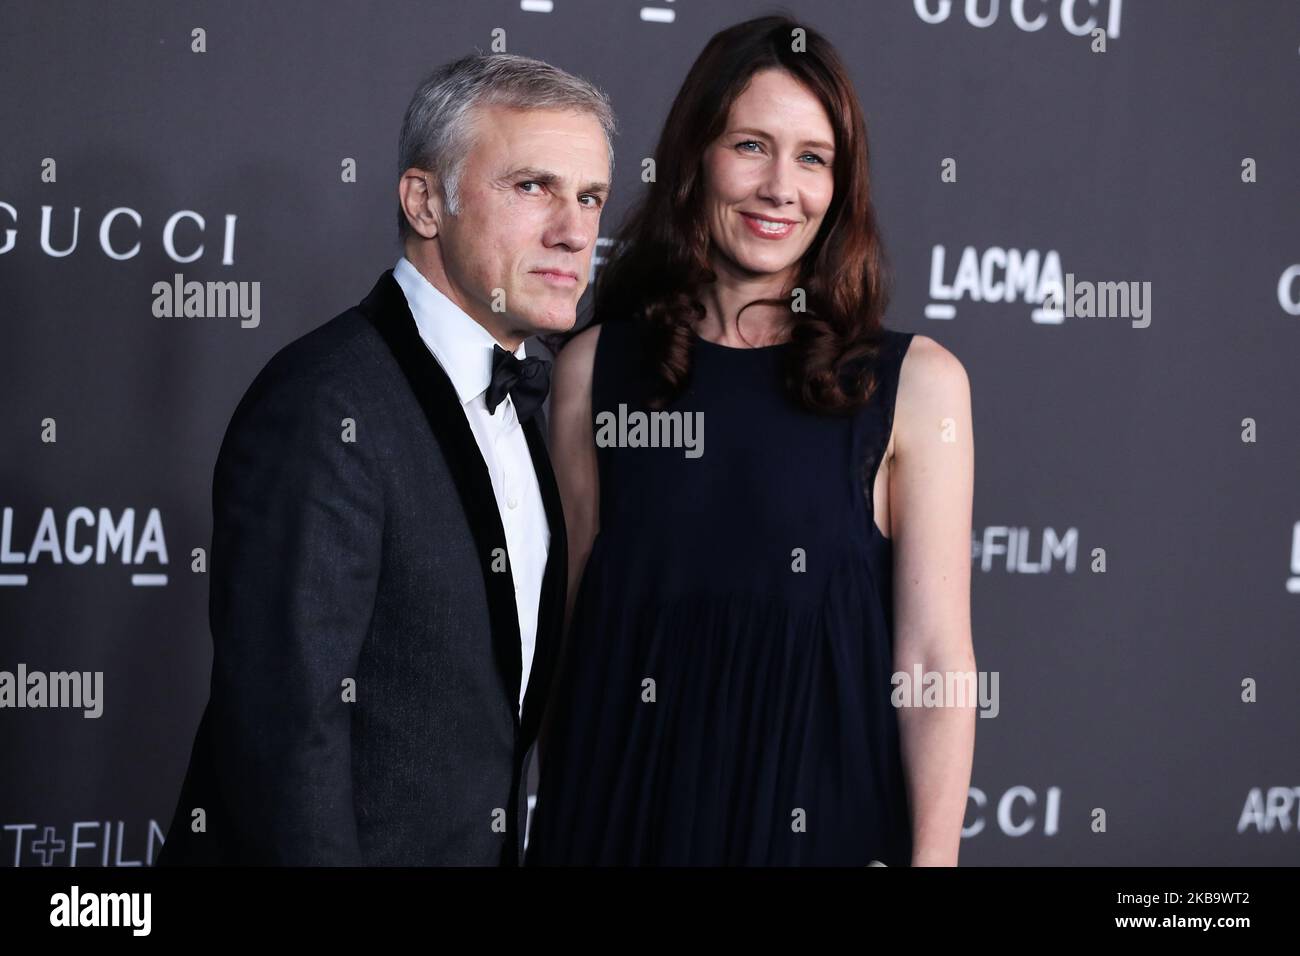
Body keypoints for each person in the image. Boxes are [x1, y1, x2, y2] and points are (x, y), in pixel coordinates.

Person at [526, 16, 975, 866]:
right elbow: (570, 633)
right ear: (695, 157)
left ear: (841, 187)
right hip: (617, 824)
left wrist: (933, 860)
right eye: (751, 146)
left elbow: (935, 660)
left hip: (817, 827)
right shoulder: (596, 369)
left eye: (813, 158)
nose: (780, 187)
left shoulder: (914, 385)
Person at [158, 53, 614, 865]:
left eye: (589, 198)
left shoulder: (516, 402)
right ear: (425, 201)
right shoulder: (325, 404)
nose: (575, 231)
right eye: (532, 187)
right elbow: (284, 738)